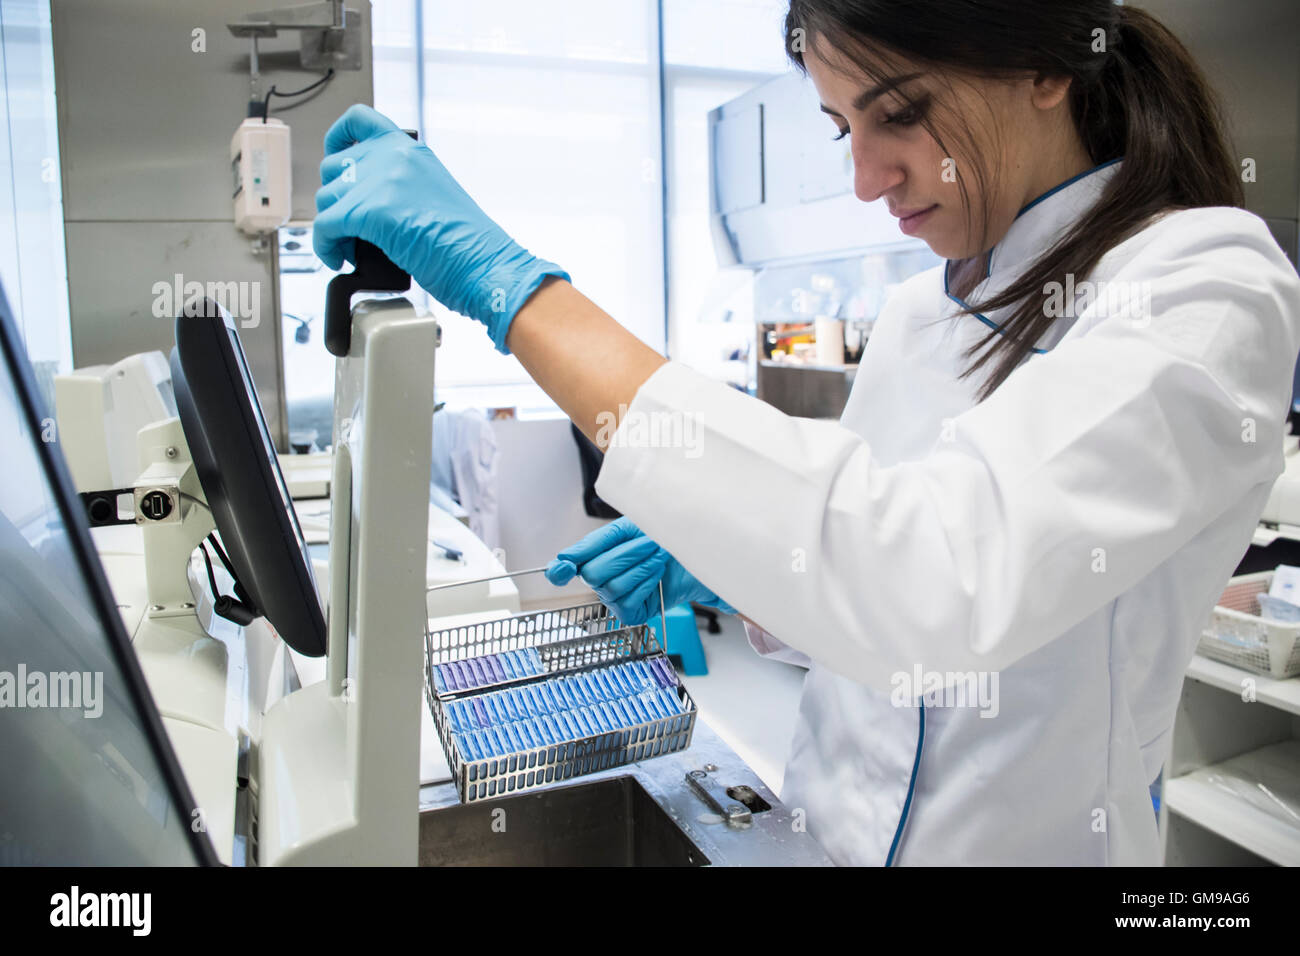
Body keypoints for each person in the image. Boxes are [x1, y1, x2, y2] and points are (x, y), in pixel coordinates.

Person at [313, 0, 1300, 864]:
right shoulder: (923, 313)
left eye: (899, 114)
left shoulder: (1202, 289)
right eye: (841, 128)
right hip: (818, 830)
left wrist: (513, 288)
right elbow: (859, 598)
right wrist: (739, 561)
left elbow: (928, 579)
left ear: (1044, 65)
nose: (867, 180)